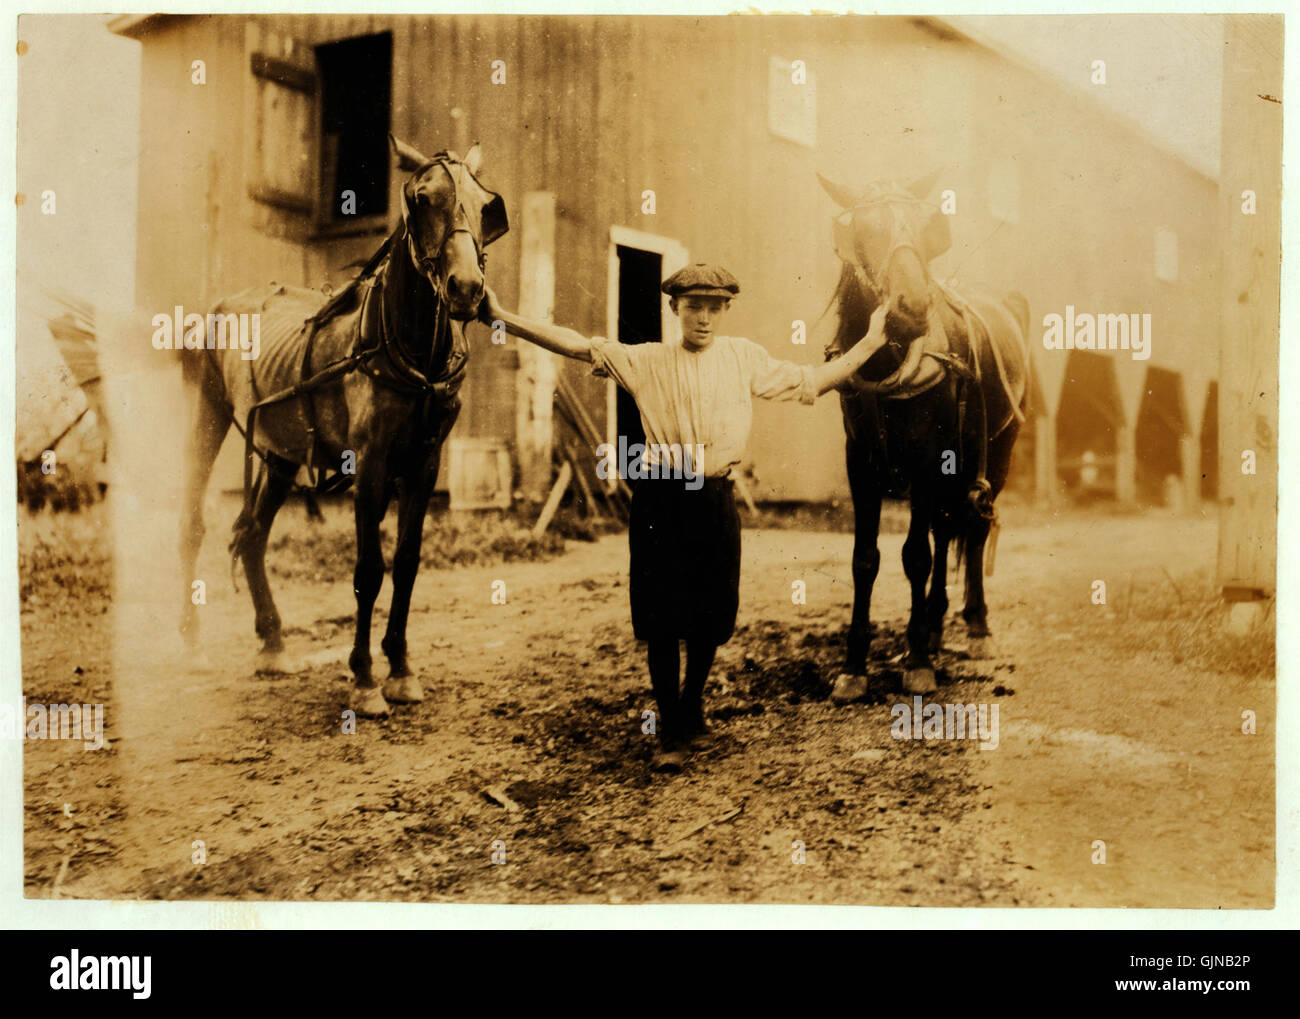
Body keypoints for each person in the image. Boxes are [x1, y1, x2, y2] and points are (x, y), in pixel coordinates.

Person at [479, 263, 888, 772]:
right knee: (663, 617)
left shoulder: (744, 358)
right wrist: (501, 318)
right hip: (661, 500)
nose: (704, 318)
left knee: (711, 615)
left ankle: (692, 704)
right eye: (694, 306)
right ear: (675, 309)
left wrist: (869, 344)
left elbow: (812, 380)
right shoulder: (646, 360)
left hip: (715, 498)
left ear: (724, 312)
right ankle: (669, 727)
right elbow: (574, 344)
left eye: (714, 308)